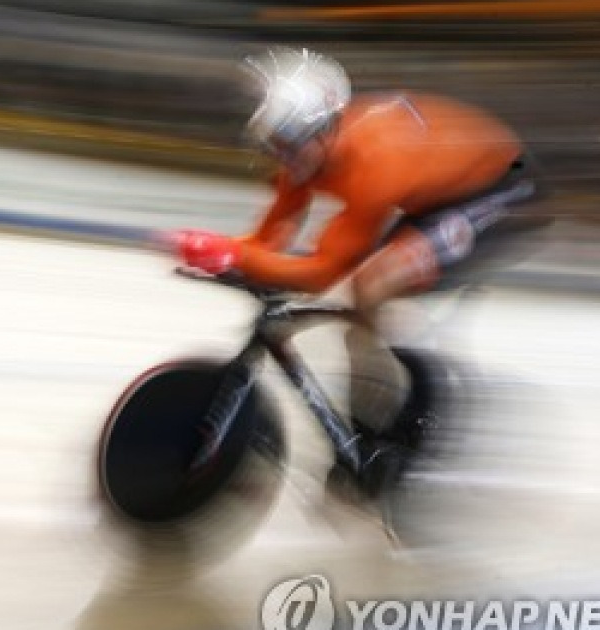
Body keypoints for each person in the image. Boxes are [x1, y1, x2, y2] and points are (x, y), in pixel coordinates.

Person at [171, 47, 550, 497]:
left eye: (290, 145)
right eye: (274, 144)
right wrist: (228, 251)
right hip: (434, 191)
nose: (284, 158)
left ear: (326, 131)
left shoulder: (374, 160)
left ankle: (414, 414)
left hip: (504, 187)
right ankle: (367, 435)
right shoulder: (304, 148)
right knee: (360, 321)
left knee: (374, 283)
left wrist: (230, 255)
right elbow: (269, 241)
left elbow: (319, 274)